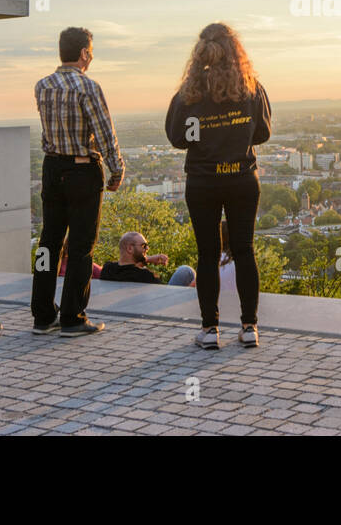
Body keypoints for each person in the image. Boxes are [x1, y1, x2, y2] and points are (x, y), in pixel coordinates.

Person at [165, 22, 271, 350]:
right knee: (244, 250)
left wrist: (205, 135)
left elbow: (176, 137)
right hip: (241, 178)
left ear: (198, 55)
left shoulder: (189, 95)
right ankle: (249, 326)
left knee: (207, 254)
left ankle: (210, 329)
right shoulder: (252, 89)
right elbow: (263, 133)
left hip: (203, 181)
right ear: (235, 51)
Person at [30, 27, 124, 339]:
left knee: (49, 242)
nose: (92, 55)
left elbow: (47, 132)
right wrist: (116, 170)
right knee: (82, 246)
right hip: (83, 170)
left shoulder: (42, 86)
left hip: (52, 167)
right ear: (84, 53)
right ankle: (72, 317)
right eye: (91, 50)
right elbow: (105, 133)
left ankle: (43, 315)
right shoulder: (88, 87)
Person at [100, 231, 196, 286]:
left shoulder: (107, 269)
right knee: (185, 271)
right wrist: (189, 289)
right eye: (143, 246)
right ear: (130, 248)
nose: (147, 248)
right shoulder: (146, 276)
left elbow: (125, 265)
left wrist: (147, 258)